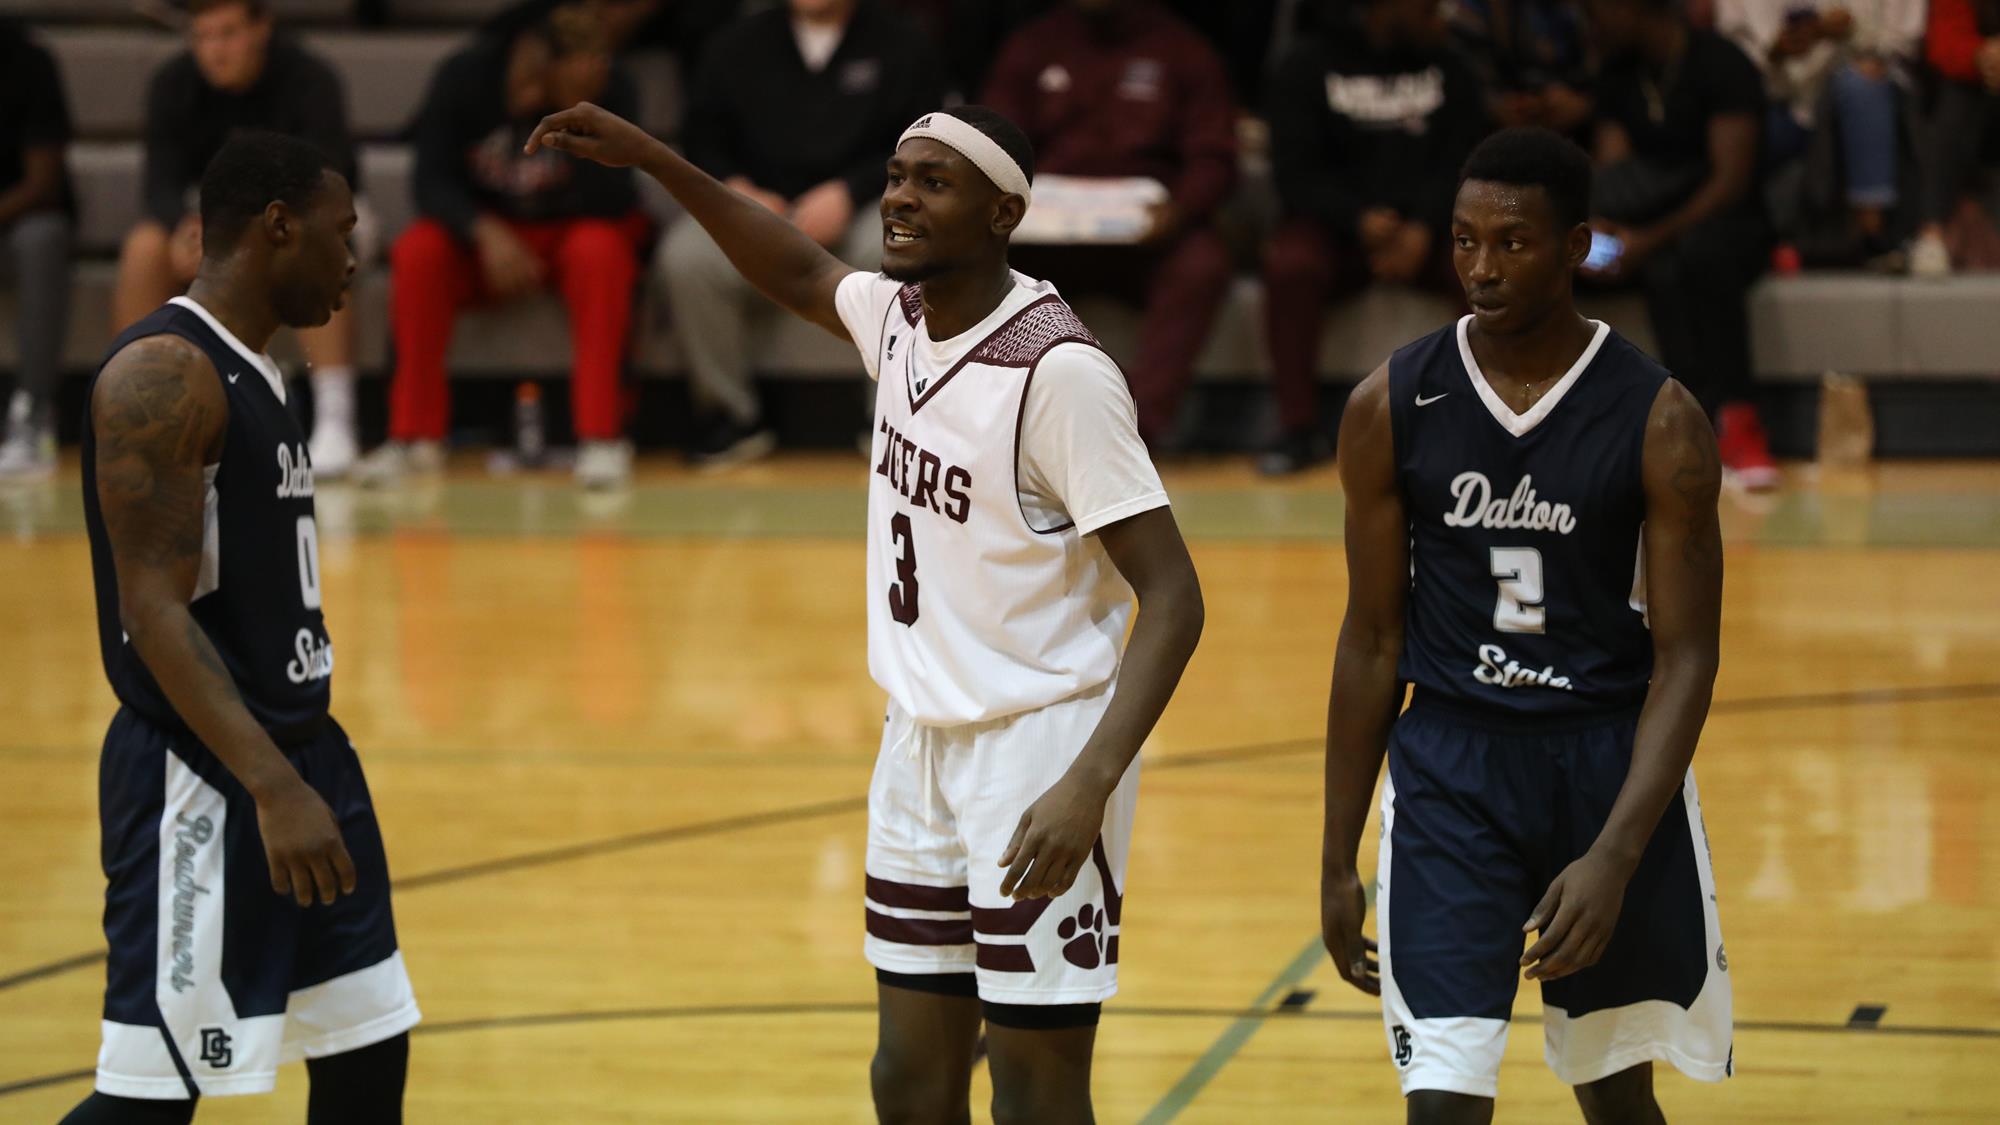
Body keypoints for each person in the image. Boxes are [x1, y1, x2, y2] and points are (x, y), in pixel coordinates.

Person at [526, 100, 1205, 1122]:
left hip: (1040, 754)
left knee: (1033, 1087)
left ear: (1001, 213)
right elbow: (797, 270)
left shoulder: (1059, 374)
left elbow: (1175, 597)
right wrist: (653, 158)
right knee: (908, 1076)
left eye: (933, 181)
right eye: (896, 174)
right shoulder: (896, 317)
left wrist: (1086, 784)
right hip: (916, 744)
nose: (898, 195)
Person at [1320, 127, 1732, 1122]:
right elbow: (1371, 640)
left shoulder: (1657, 417)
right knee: (1443, 1101)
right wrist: (1334, 858)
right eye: (1463, 241)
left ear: (1575, 246)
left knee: (1615, 1099)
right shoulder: (1390, 403)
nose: (1478, 267)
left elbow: (1684, 659)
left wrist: (1615, 854)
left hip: (1600, 764)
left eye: (1509, 243)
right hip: (1450, 769)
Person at [63, 132, 418, 1125]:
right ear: (276, 227)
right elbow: (152, 612)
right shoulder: (164, 373)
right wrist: (271, 786)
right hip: (206, 779)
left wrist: (300, 779)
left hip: (305, 758)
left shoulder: (262, 369)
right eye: (341, 233)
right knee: (150, 1102)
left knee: (364, 1050)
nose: (354, 258)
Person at [359, 3, 651, 489]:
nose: (599, 73)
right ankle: (412, 437)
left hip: (569, 234)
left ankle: (602, 438)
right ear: (545, 63)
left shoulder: (612, 87)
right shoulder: (465, 75)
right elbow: (429, 183)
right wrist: (481, 231)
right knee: (418, 252)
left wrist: (581, 124)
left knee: (602, 251)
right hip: (483, 236)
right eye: (583, 67)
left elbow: (615, 199)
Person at [662, 0, 943, 465]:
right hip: (755, 212)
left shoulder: (903, 44)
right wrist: (738, 190)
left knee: (907, 250)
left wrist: (851, 192)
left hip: (866, 208)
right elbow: (701, 138)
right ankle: (730, 417)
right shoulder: (736, 45)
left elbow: (924, 139)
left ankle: (893, 421)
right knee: (687, 257)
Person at [114, 0, 364, 478]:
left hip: (307, 216)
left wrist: (250, 233)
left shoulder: (310, 78)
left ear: (261, 29)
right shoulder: (172, 84)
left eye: (227, 34)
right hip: (211, 226)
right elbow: (159, 184)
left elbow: (327, 179)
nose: (215, 50)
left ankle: (336, 422)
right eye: (203, 37)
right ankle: (136, 414)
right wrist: (183, 228)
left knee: (322, 248)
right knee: (144, 248)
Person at [982, 0, 1238, 450]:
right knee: (976, 251)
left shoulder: (1184, 50)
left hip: (1147, 236)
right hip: (1044, 236)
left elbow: (1215, 156)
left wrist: (1179, 209)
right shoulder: (1031, 46)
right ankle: (991, 422)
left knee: (1202, 263)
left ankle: (1135, 433)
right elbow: (989, 144)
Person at [1260, 0, 1489, 475]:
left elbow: (1468, 161)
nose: (1440, 17)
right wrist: (1358, 219)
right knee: (1290, 265)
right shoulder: (1306, 64)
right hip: (1338, 230)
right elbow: (1294, 174)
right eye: (1428, 8)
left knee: (1486, 264)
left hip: (1433, 229)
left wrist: (1425, 226)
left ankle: (1489, 419)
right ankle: (1298, 430)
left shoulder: (1453, 67)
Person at [1585, 0, 1779, 491]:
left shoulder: (1722, 64)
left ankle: (1739, 419)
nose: (1593, 19)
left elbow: (1729, 185)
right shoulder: (1617, 72)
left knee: (1699, 254)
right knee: (1651, 267)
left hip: (1728, 223)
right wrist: (1603, 233)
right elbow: (1613, 173)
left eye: (1600, 9)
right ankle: (1689, 420)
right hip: (1648, 229)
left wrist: (1646, 240)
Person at [0, 17, 73, 479]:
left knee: (41, 237)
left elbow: (44, 180)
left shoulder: (26, 58)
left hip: (21, 218)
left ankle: (34, 412)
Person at [1913, 0, 2000, 275]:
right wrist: (1982, 56)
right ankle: (1932, 233)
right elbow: (1943, 43)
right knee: (1956, 101)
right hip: (1973, 82)